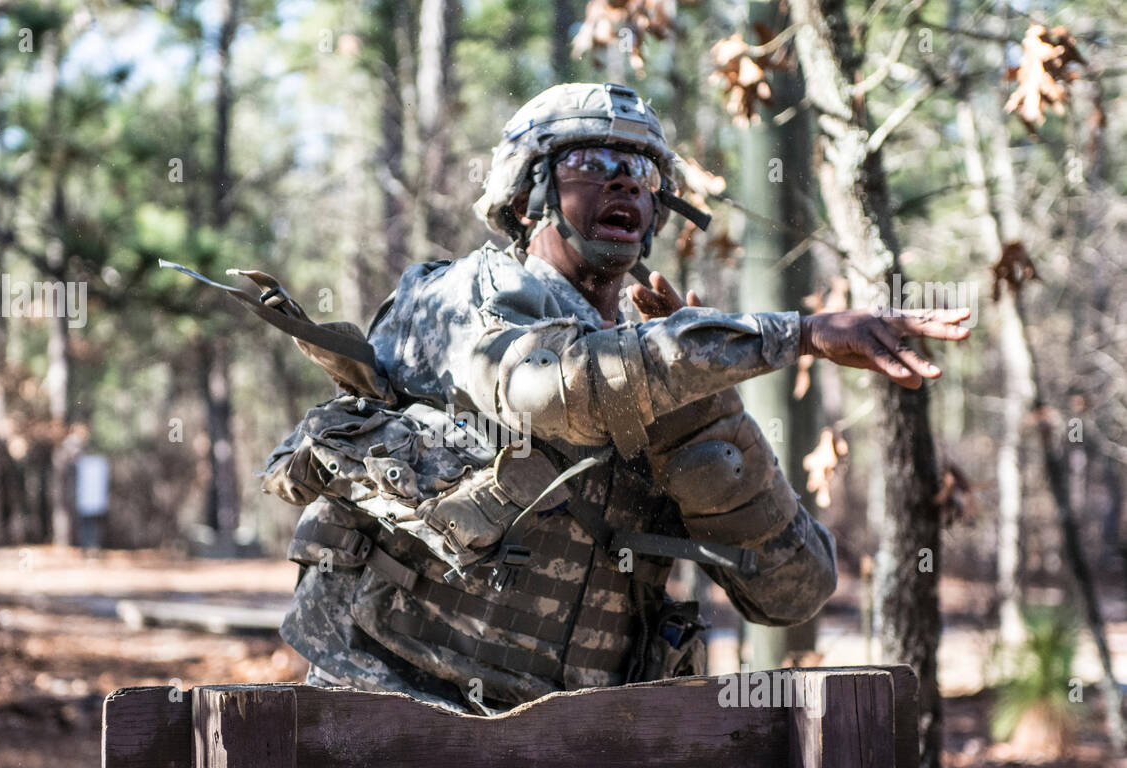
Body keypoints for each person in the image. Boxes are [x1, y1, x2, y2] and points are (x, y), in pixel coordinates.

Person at [265, 82, 970, 716]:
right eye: (593, 166)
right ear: (527, 192)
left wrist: (705, 414)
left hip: (576, 742)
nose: (626, 187)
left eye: (641, 172)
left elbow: (795, 592)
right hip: (388, 700)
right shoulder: (458, 300)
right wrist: (800, 334)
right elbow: (556, 386)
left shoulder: (658, 360)